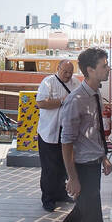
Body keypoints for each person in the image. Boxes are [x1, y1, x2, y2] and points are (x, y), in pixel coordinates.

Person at [41, 47, 112, 222]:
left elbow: (91, 134)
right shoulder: (76, 100)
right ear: (90, 70)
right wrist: (73, 178)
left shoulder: (94, 94)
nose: (108, 69)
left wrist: (103, 156)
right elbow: (67, 142)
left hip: (93, 165)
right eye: (104, 65)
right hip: (82, 169)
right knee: (92, 221)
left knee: (82, 214)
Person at [34, 57, 79, 212]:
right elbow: (41, 103)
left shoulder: (75, 83)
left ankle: (61, 194)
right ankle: (48, 198)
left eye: (70, 72)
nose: (67, 75)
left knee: (63, 166)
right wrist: (62, 101)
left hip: (67, 132)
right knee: (49, 168)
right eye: (65, 72)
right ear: (58, 69)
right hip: (49, 131)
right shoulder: (48, 82)